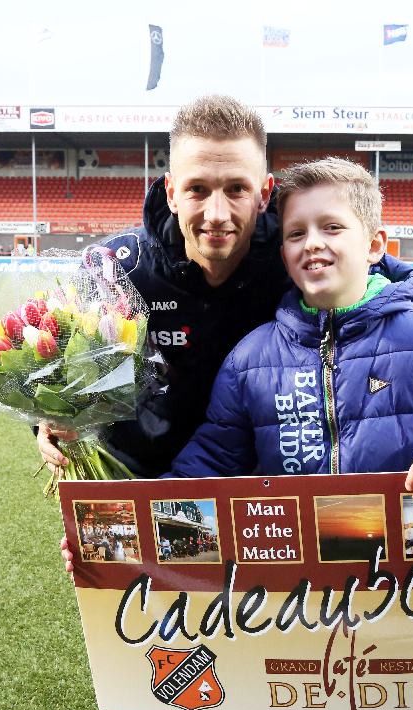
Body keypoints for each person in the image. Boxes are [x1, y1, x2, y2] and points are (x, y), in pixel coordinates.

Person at [166, 158, 413, 502]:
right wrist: (151, 504)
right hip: (298, 556)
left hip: (399, 552)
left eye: (332, 227)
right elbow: (213, 458)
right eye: (296, 233)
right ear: (284, 254)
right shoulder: (249, 359)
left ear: (375, 245)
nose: (313, 243)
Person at [40, 94, 291, 486]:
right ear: (171, 193)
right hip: (137, 480)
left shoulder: (295, 267)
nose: (217, 214)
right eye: (198, 189)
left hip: (256, 484)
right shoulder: (115, 270)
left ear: (264, 193)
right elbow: (70, 381)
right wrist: (53, 418)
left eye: (237, 189)